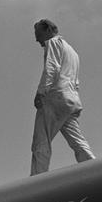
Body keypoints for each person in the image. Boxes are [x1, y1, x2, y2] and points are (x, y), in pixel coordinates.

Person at [30, 19, 95, 176]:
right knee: (78, 142)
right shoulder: (72, 52)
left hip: (55, 98)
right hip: (71, 99)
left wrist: (40, 92)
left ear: (47, 30)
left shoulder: (53, 42)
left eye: (38, 34)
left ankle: (37, 181)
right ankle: (94, 168)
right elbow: (75, 80)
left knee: (41, 142)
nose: (36, 39)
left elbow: (52, 68)